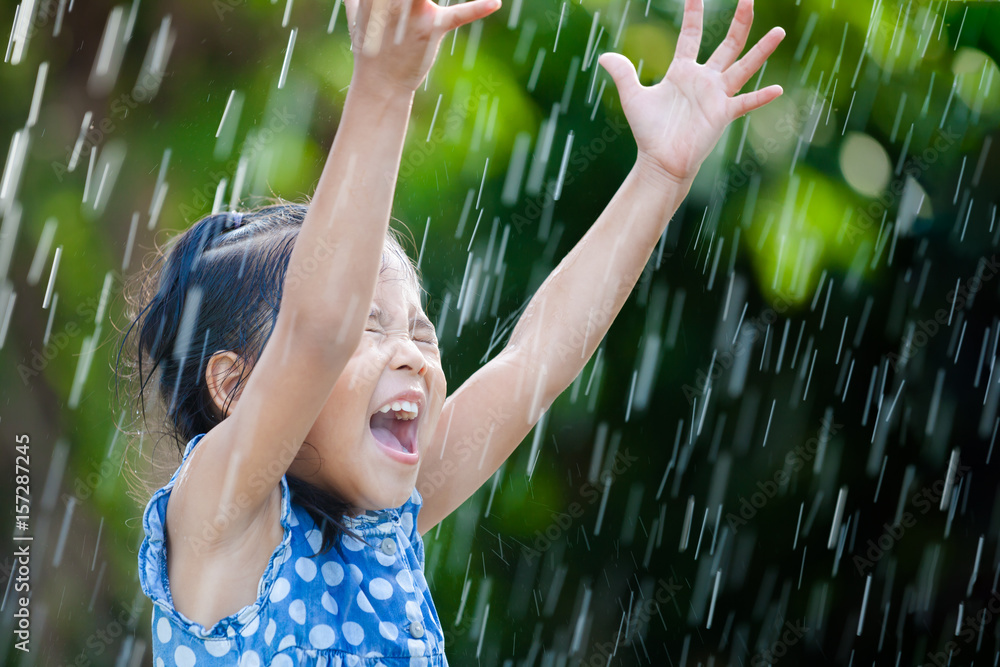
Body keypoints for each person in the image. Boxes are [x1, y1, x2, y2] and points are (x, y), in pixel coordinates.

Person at [118, 0, 785, 664]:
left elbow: (532, 364)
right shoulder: (220, 519)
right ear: (235, 384)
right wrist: (386, 84)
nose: (410, 353)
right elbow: (316, 333)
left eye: (419, 329)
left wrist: (660, 176)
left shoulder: (376, 522)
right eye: (368, 326)